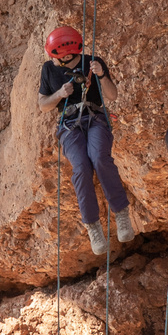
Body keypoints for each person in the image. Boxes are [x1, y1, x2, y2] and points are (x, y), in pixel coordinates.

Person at [39, 25, 134, 253]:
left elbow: (112, 95)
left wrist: (101, 75)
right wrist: (60, 94)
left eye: (57, 57)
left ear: (68, 55)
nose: (53, 61)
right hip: (70, 124)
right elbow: (43, 105)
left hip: (95, 118)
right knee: (81, 167)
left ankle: (121, 214)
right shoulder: (48, 70)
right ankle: (93, 227)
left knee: (100, 157)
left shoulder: (93, 62)